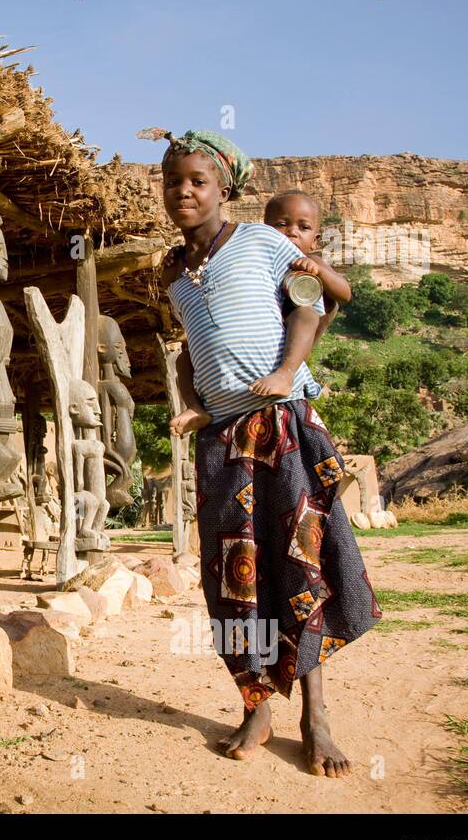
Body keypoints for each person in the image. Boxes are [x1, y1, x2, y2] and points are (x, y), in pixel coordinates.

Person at [146, 127, 381, 777]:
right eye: (174, 181)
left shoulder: (261, 241)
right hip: (223, 439)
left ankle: (316, 715)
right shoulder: (176, 278)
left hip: (281, 424)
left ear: (225, 188)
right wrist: (193, 401)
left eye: (198, 180)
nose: (185, 191)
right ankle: (254, 702)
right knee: (232, 580)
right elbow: (191, 350)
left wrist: (286, 370)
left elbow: (314, 300)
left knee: (299, 570)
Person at [250, 190, 353, 397]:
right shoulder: (257, 260)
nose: (292, 232)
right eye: (281, 224)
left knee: (306, 311)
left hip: (297, 341)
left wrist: (319, 271)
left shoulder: (313, 261)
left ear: (315, 240)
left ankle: (286, 373)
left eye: (303, 227)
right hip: (262, 338)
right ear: (264, 231)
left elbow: (345, 294)